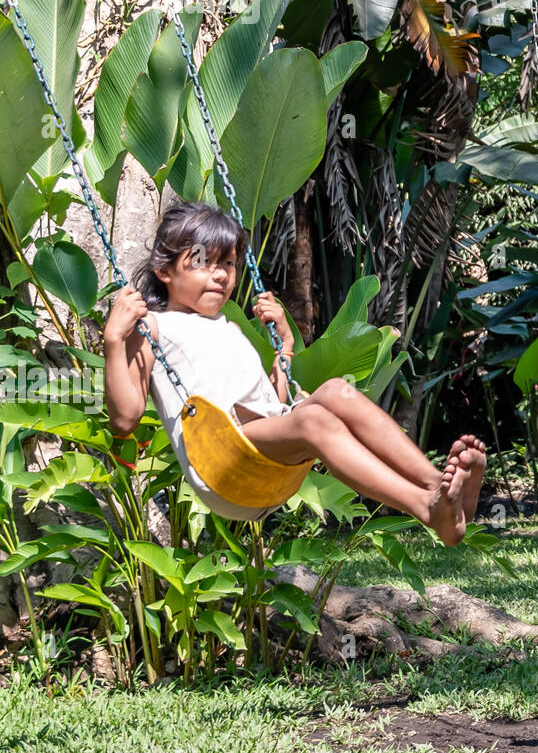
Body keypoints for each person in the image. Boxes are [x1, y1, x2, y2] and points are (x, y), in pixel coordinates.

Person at [103, 199, 486, 540]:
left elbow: (273, 404)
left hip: (262, 453)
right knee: (314, 419)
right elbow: (125, 419)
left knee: (337, 390)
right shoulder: (152, 326)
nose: (220, 275)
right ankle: (424, 507)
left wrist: (284, 348)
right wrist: (114, 342)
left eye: (229, 263)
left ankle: (441, 490)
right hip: (222, 465)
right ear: (165, 270)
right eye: (204, 261)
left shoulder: (230, 328)